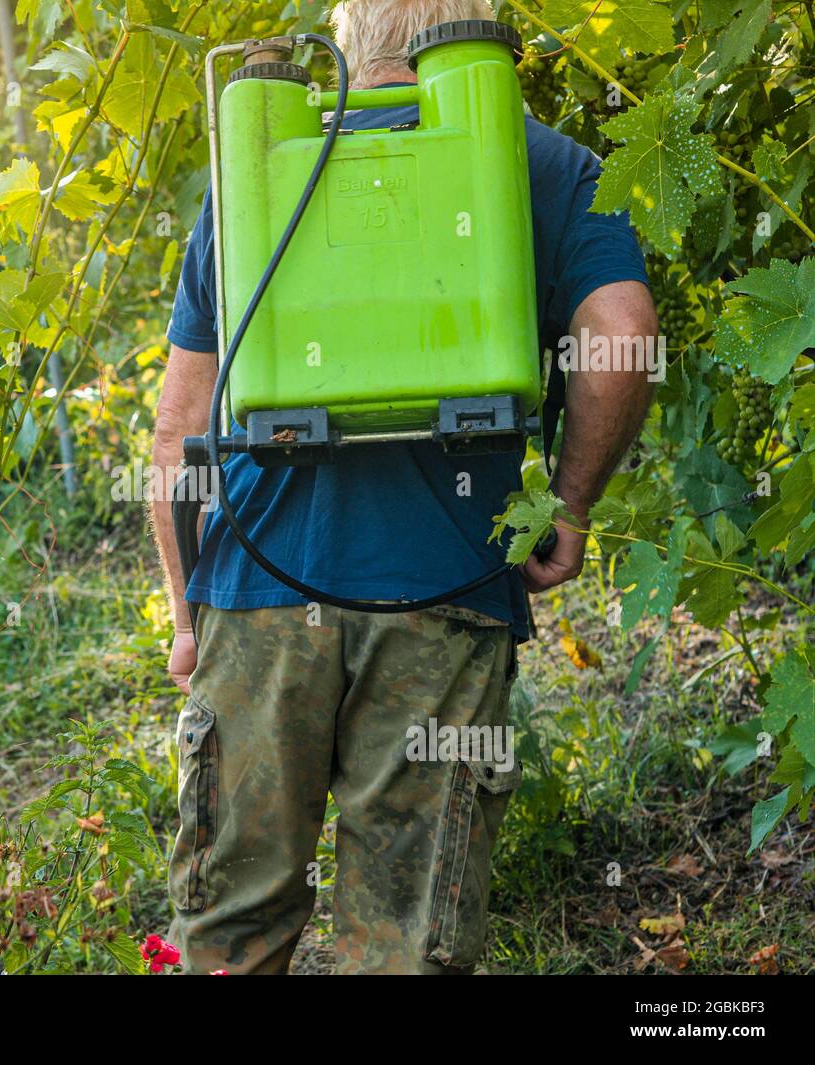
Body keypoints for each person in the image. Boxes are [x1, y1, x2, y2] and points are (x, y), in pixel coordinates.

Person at [149, 0, 657, 974]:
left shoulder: (256, 161)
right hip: (446, 594)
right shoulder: (544, 163)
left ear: (347, 42)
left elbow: (181, 424)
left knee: (227, 932)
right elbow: (625, 337)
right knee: (405, 940)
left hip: (255, 600)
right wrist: (571, 501)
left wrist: (186, 613)